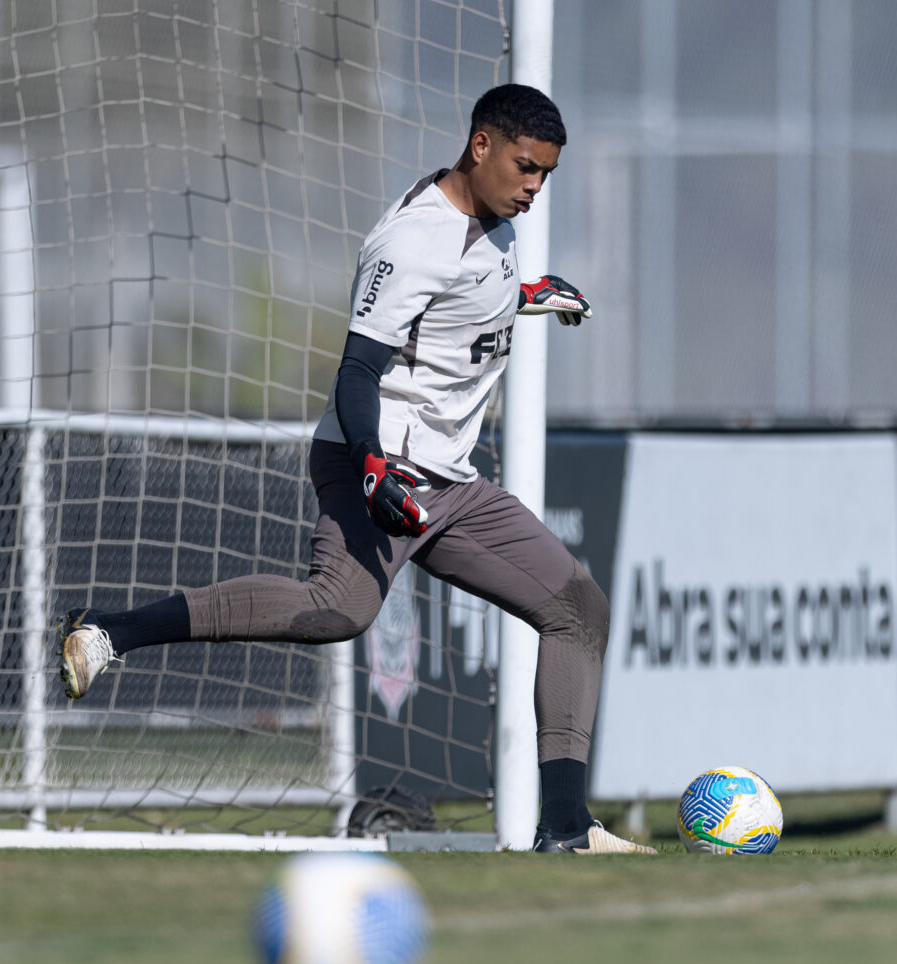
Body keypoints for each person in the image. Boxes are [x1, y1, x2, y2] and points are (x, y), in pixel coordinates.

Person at [57, 84, 656, 856]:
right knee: (338, 611)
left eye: (546, 173)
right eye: (525, 167)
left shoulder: (493, 218)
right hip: (377, 460)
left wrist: (528, 297)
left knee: (579, 611)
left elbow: (455, 309)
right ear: (480, 147)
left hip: (450, 479)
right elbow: (357, 371)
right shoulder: (412, 240)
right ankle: (111, 631)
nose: (535, 186)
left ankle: (568, 831)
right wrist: (375, 469)